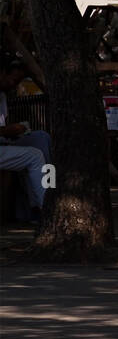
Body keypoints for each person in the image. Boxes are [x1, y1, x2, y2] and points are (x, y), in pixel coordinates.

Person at [0, 62, 50, 223]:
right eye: (12, 79)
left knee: (42, 138)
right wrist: (8, 130)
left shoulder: (2, 96)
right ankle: (44, 207)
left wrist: (13, 132)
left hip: (3, 143)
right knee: (35, 156)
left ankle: (50, 190)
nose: (13, 85)